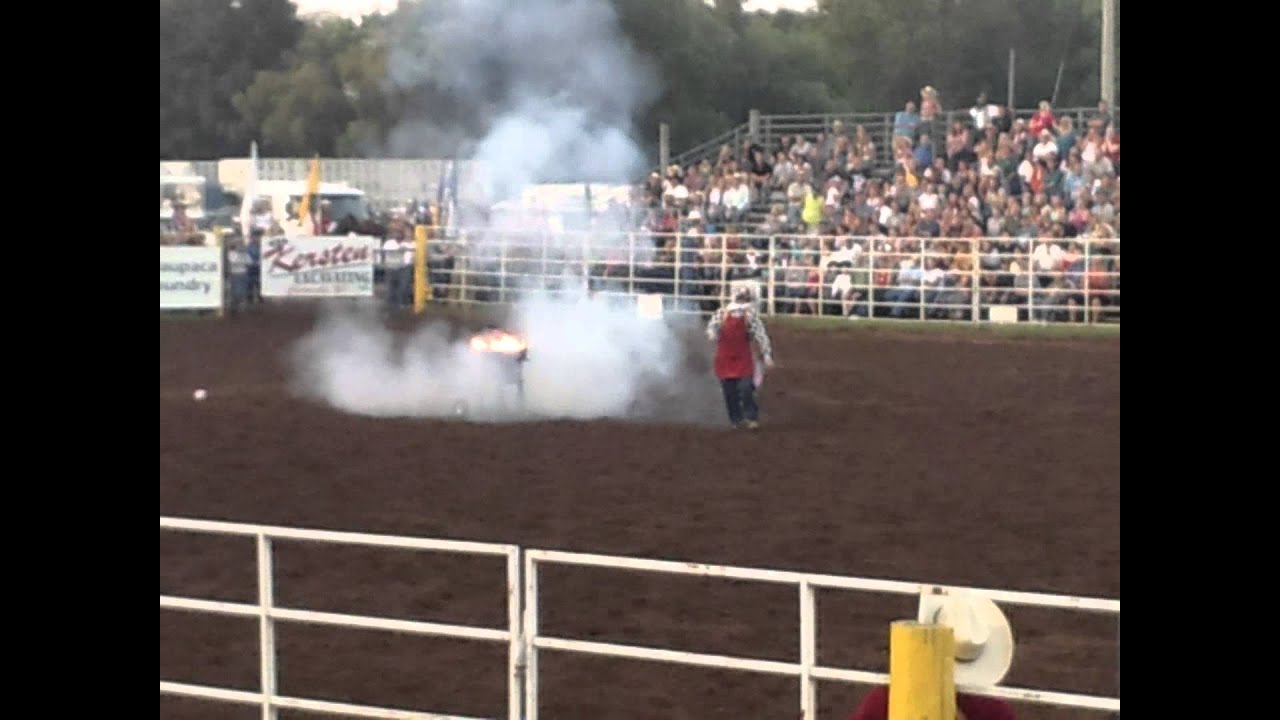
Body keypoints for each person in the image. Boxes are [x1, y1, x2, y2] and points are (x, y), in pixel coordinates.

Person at [706, 285, 774, 430]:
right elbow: (712, 327)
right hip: (725, 358)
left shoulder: (750, 316)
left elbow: (760, 334)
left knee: (746, 388)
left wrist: (767, 353)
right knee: (729, 391)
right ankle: (735, 419)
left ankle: (751, 417)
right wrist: (712, 333)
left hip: (742, 357)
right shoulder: (721, 314)